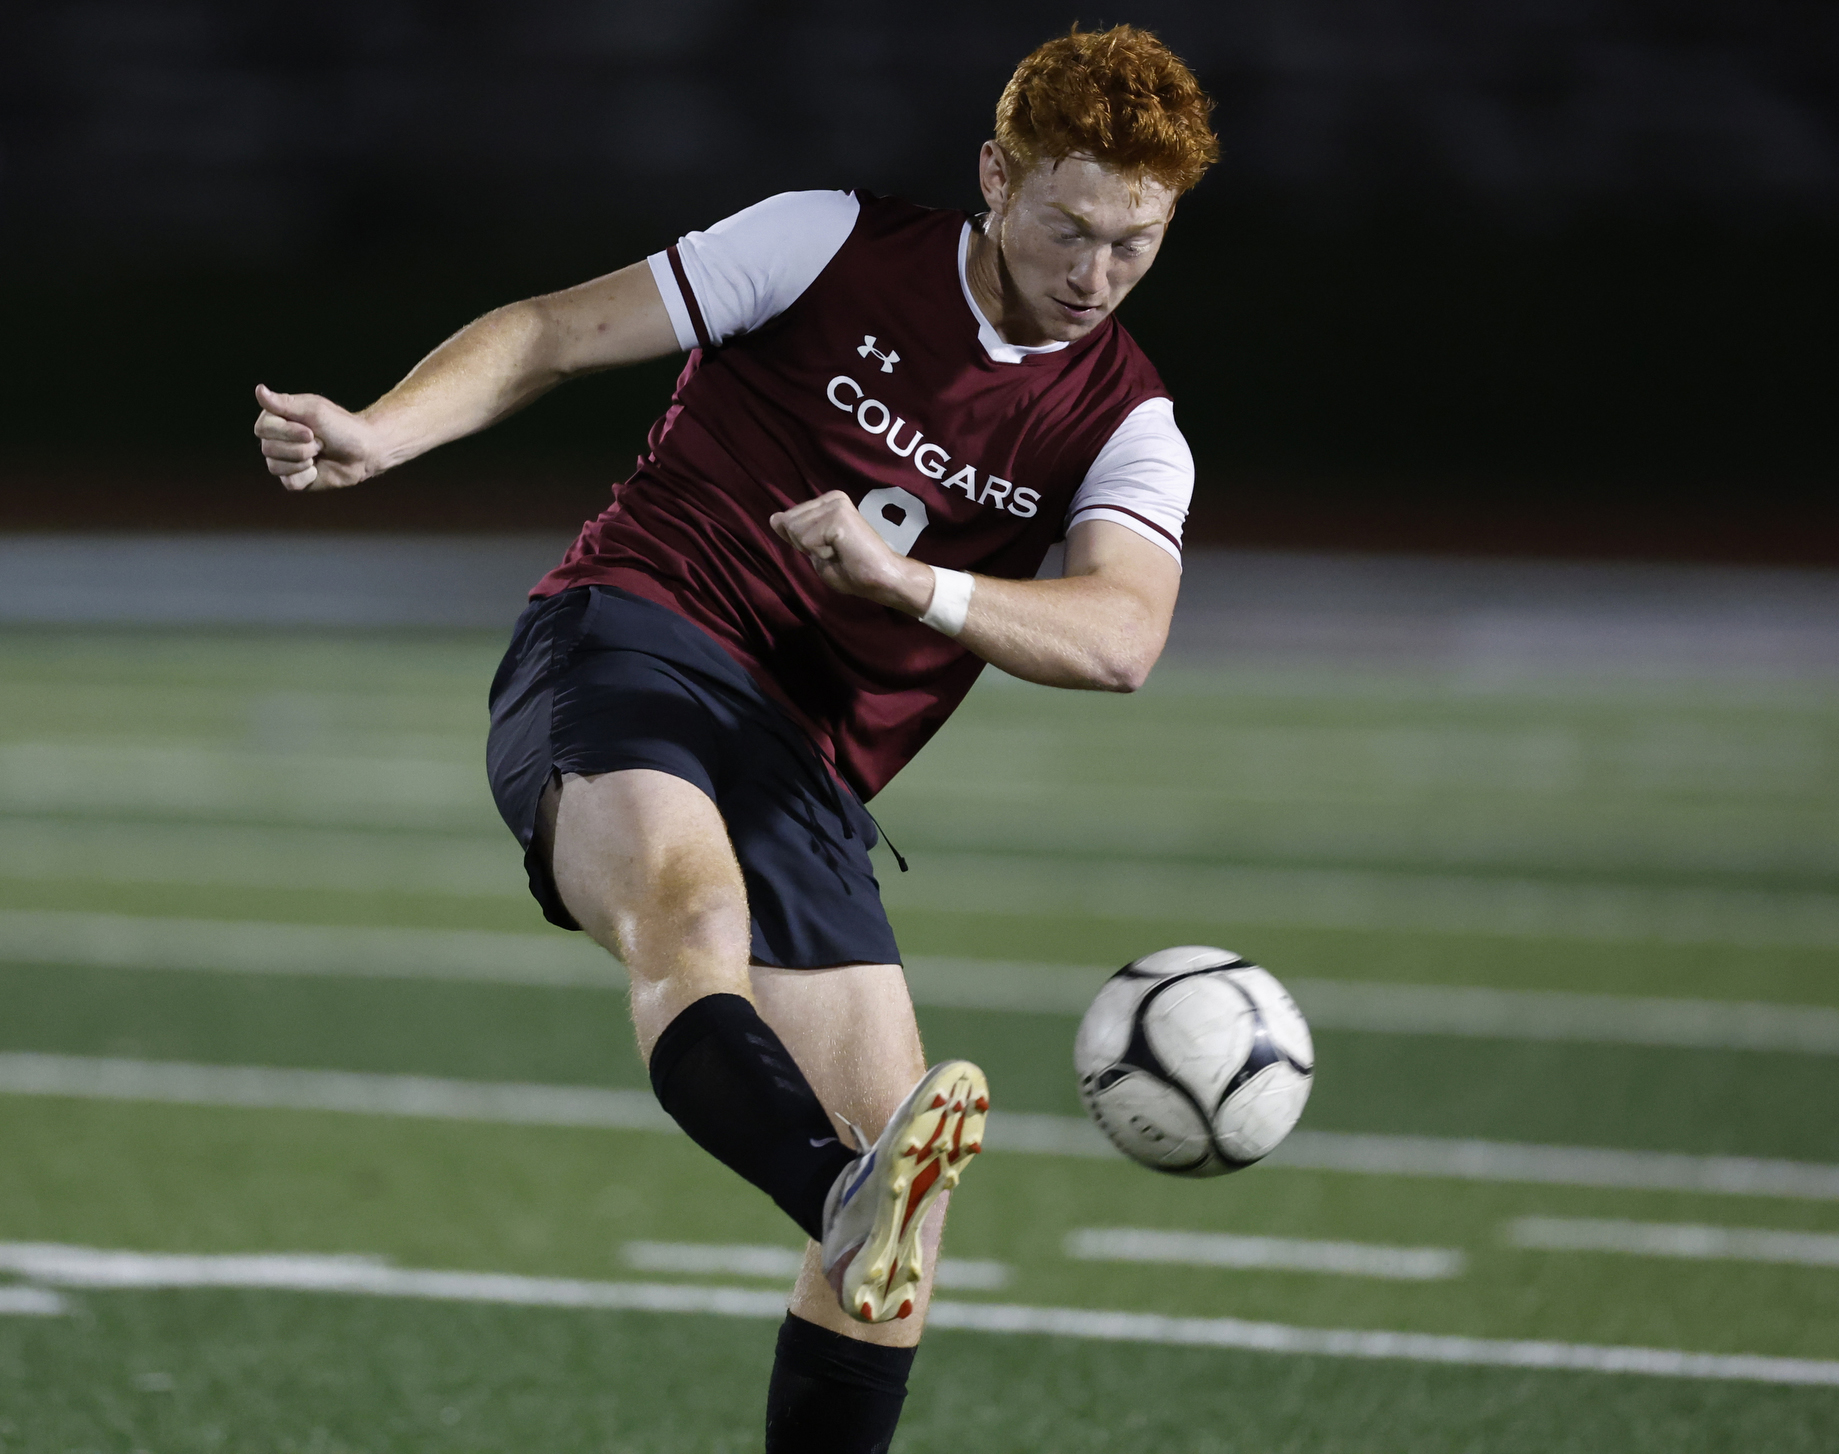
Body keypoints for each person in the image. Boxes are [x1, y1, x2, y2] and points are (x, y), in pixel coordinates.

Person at [252, 23, 1216, 1454]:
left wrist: (914, 586)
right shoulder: (825, 242)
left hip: (809, 770)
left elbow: (1121, 637)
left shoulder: (1125, 421)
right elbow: (553, 331)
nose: (1094, 274)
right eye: (1068, 226)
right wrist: (383, 434)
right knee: (689, 919)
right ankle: (834, 1191)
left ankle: (850, 1199)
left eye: (1133, 244)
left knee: (907, 1217)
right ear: (994, 176)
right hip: (637, 636)